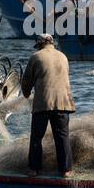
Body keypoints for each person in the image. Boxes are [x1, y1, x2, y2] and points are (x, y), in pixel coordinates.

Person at [21, 34, 75, 177]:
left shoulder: (36, 57)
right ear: (52, 43)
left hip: (43, 104)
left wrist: (26, 94)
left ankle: (34, 169)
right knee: (62, 137)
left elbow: (26, 81)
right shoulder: (63, 56)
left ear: (39, 44)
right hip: (64, 102)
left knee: (37, 137)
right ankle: (66, 170)